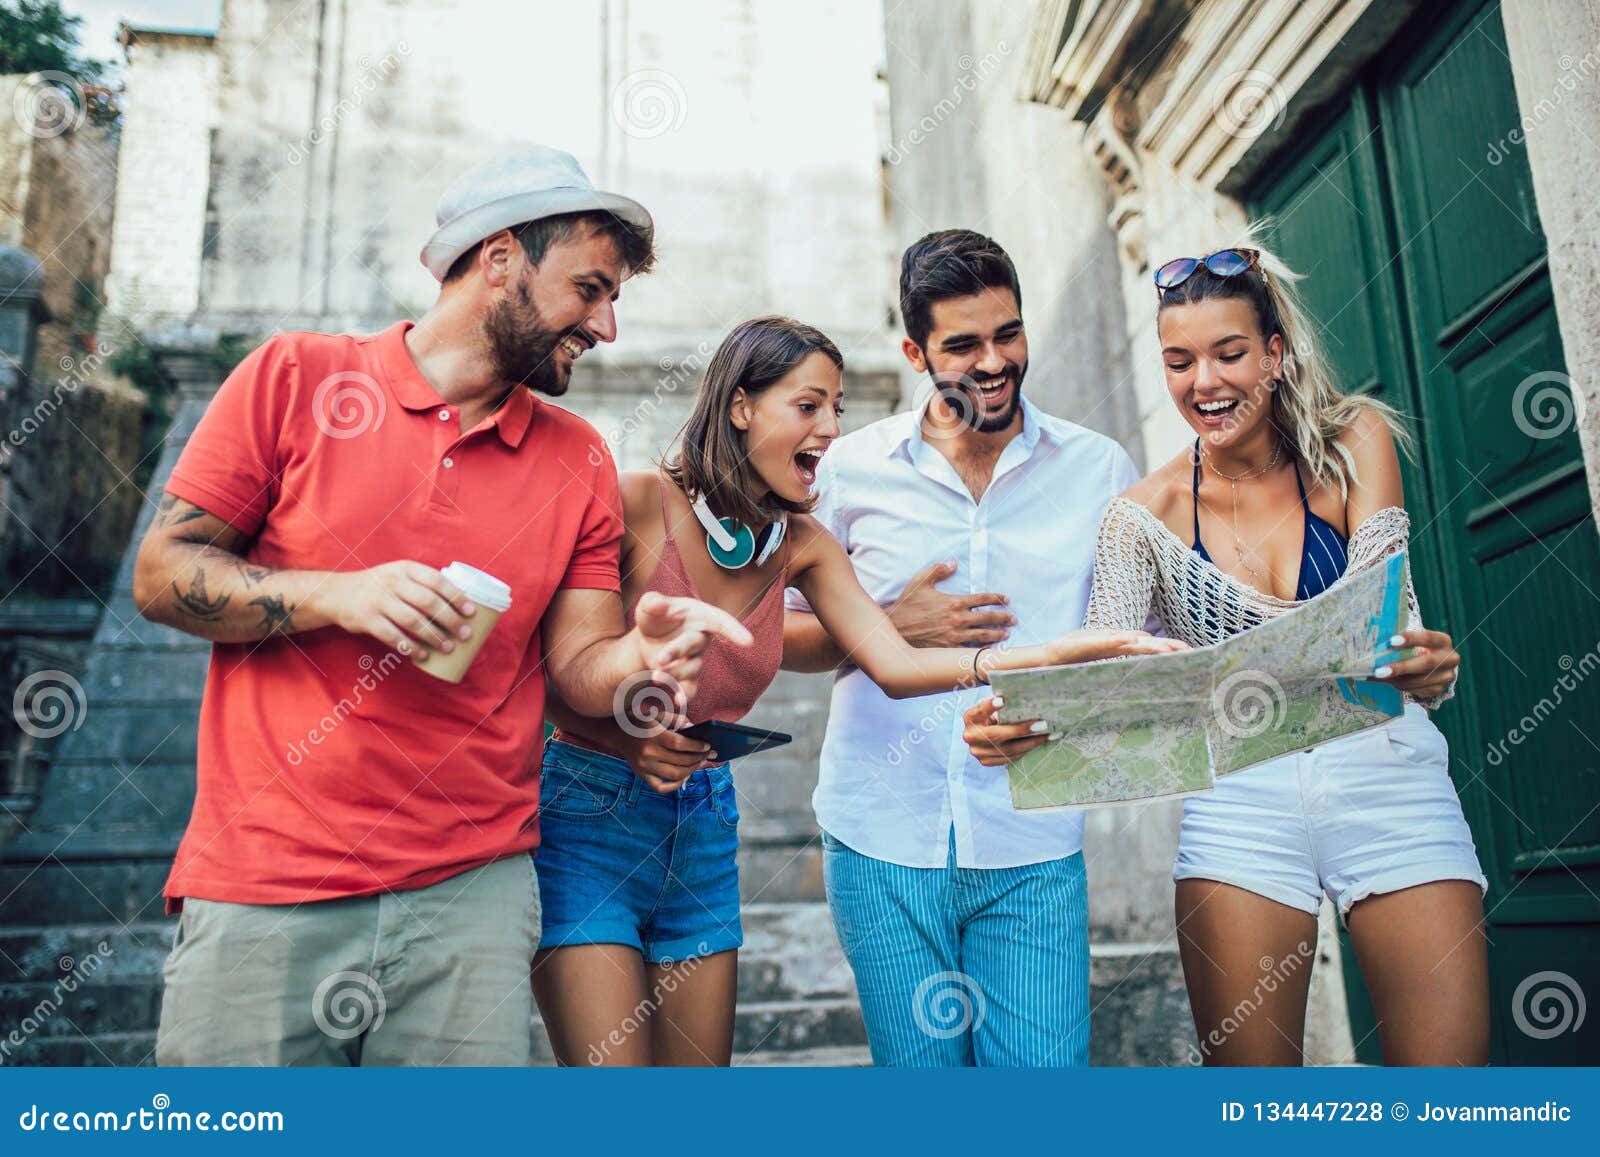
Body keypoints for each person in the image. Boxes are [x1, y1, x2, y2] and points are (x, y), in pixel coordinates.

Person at [135, 146, 752, 1067]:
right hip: (266, 884)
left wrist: (640, 652)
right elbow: (162, 573)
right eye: (589, 289)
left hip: (474, 899)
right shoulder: (297, 378)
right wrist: (340, 594)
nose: (607, 325)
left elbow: (580, 670)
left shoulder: (578, 456)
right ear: (499, 258)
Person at [533, 314, 1175, 1067]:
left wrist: (1049, 653)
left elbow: (895, 665)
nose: (832, 429)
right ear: (740, 407)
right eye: (809, 406)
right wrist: (623, 738)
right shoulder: (638, 500)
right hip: (590, 808)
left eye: (837, 408)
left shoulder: (801, 544)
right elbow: (539, 668)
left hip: (701, 816)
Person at [964, 237, 1489, 1065]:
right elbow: (1108, 692)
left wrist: (1426, 663)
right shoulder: (1139, 517)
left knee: (1446, 1097)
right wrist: (1021, 724)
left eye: (1229, 353)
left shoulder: (1357, 441)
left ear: (1274, 354)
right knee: (1249, 1107)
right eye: (1179, 362)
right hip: (1242, 801)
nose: (1203, 382)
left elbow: (1389, 618)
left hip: (1386, 771)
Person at [782, 229, 1172, 1067]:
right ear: (915, 353)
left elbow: (1129, 652)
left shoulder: (1098, 469)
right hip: (881, 837)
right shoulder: (846, 470)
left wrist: (1065, 720)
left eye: (1009, 334)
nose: (994, 362)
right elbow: (774, 634)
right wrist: (888, 623)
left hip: (1031, 839)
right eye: (963, 345)